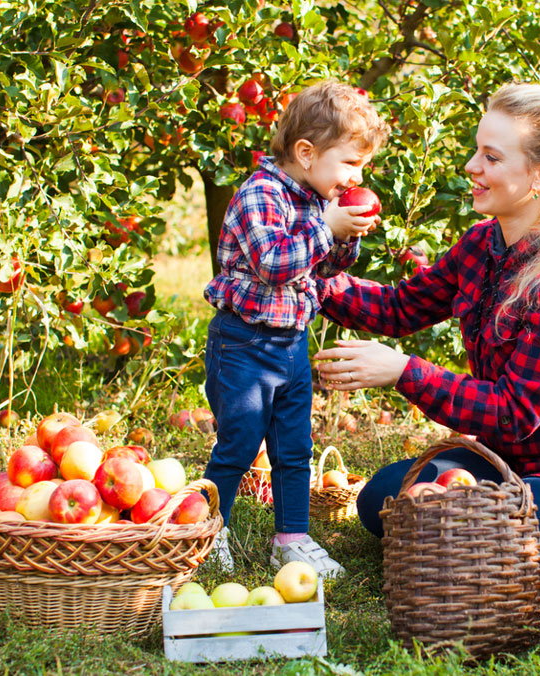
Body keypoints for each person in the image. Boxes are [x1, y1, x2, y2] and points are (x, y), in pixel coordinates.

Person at [312, 82, 540, 568]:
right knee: (384, 498)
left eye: (491, 158)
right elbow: (399, 308)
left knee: (471, 533)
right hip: (511, 465)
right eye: (478, 152)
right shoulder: (482, 245)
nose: (472, 167)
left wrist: (403, 371)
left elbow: (515, 413)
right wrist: (305, 276)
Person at [201, 80, 389, 578]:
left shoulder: (313, 199)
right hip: (244, 343)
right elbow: (275, 264)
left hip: (291, 343)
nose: (356, 177)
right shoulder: (261, 195)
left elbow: (321, 271)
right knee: (238, 444)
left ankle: (291, 538)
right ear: (306, 152)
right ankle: (208, 530)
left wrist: (344, 236)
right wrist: (327, 227)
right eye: (350, 164)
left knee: (294, 447)